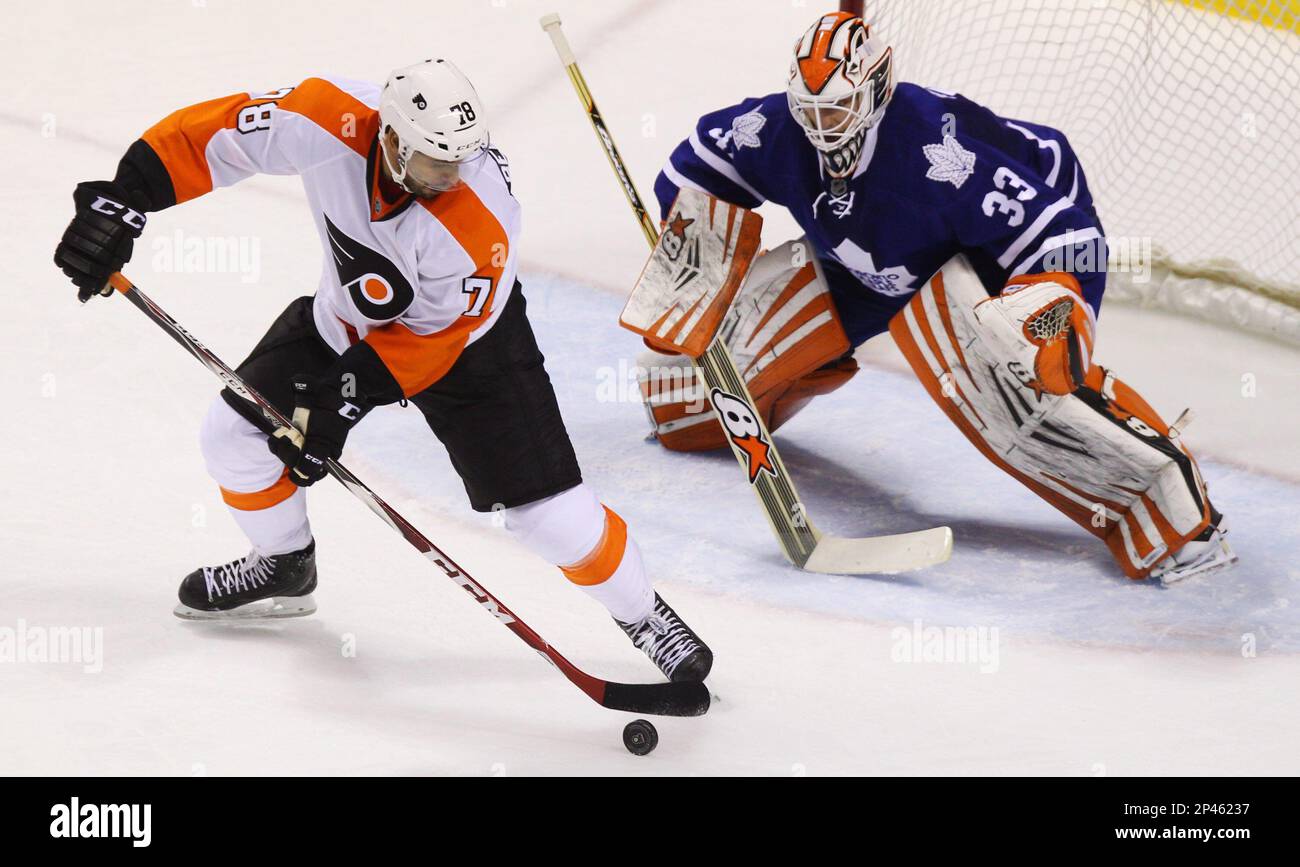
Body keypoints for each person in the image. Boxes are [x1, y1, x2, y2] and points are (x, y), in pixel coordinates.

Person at [53, 59, 711, 682]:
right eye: (432, 159)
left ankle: (644, 613)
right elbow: (218, 136)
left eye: (458, 159)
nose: (448, 174)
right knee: (231, 438)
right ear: (390, 137)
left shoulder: (477, 223)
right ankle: (284, 564)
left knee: (552, 519)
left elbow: (433, 338)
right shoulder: (326, 116)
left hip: (471, 347)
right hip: (343, 318)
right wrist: (121, 201)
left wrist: (337, 402)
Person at [642, 10, 1234, 583]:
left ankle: (1180, 519)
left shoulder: (941, 157)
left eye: (840, 107)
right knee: (688, 396)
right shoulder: (779, 130)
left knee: (1016, 384)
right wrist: (692, 258)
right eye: (810, 111)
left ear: (877, 88)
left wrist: (1056, 315)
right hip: (863, 256)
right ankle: (730, 394)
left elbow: (1069, 239)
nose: (823, 127)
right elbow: (695, 167)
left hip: (987, 255)